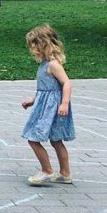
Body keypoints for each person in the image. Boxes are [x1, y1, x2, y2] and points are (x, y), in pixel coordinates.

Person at [21, 24, 75, 186]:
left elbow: (66, 83)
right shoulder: (44, 64)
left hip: (53, 109)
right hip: (46, 106)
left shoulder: (53, 65)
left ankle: (47, 170)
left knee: (33, 138)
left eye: (34, 45)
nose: (32, 49)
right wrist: (34, 99)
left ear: (44, 44)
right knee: (56, 140)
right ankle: (65, 174)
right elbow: (47, 88)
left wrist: (64, 103)